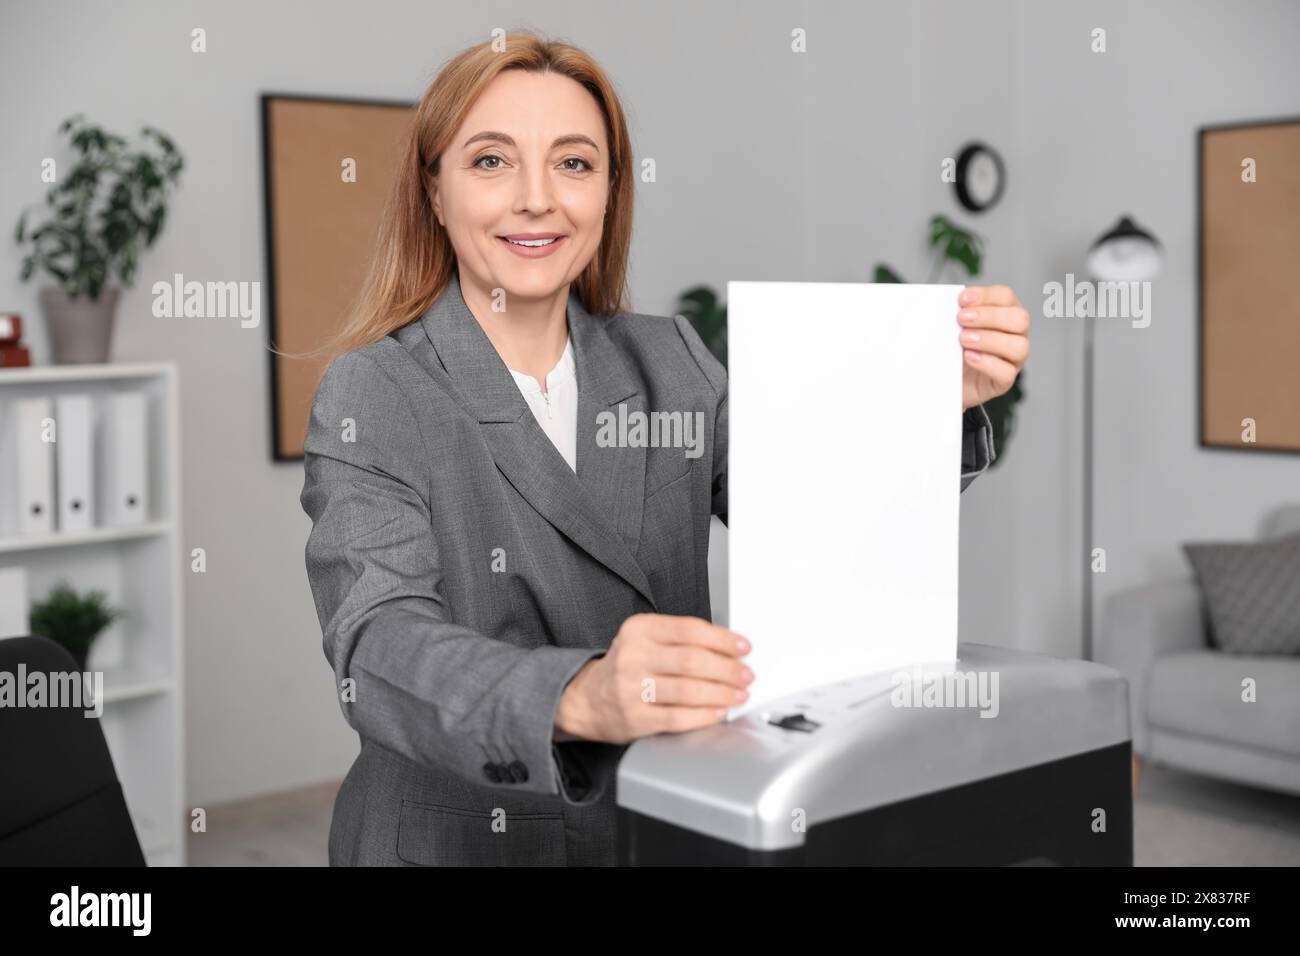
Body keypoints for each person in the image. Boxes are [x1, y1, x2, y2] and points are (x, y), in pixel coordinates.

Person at [296, 31, 1030, 866]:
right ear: (434, 190)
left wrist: (931, 402)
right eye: (492, 161)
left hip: (661, 819)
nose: (537, 199)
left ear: (611, 190)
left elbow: (815, 520)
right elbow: (376, 645)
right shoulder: (375, 391)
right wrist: (578, 694)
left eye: (573, 163)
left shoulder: (670, 358)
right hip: (463, 840)